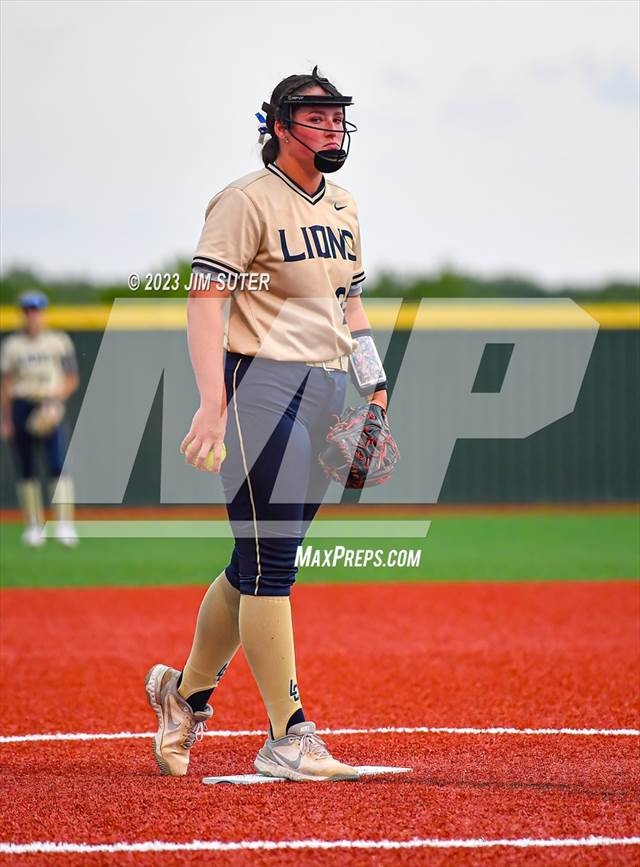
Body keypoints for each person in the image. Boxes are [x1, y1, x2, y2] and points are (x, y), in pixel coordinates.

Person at [145, 67, 389, 782]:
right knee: (273, 564)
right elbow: (205, 301)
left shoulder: (343, 205)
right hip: (261, 386)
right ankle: (288, 734)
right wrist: (212, 401)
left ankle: (184, 696)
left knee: (255, 562)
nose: (332, 127)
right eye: (316, 116)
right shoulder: (244, 200)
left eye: (337, 116)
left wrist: (375, 389)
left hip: (325, 388)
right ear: (279, 126)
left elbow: (351, 307)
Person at [0, 291, 80, 547]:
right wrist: (6, 419)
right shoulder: (13, 346)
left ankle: (64, 524)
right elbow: (7, 384)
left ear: (42, 313)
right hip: (22, 404)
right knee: (26, 467)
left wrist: (55, 400)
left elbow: (71, 378)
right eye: (27, 310)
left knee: (58, 464)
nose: (31, 315)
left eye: (35, 310)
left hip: (49, 403)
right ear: (22, 314)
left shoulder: (58, 341)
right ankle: (33, 526)